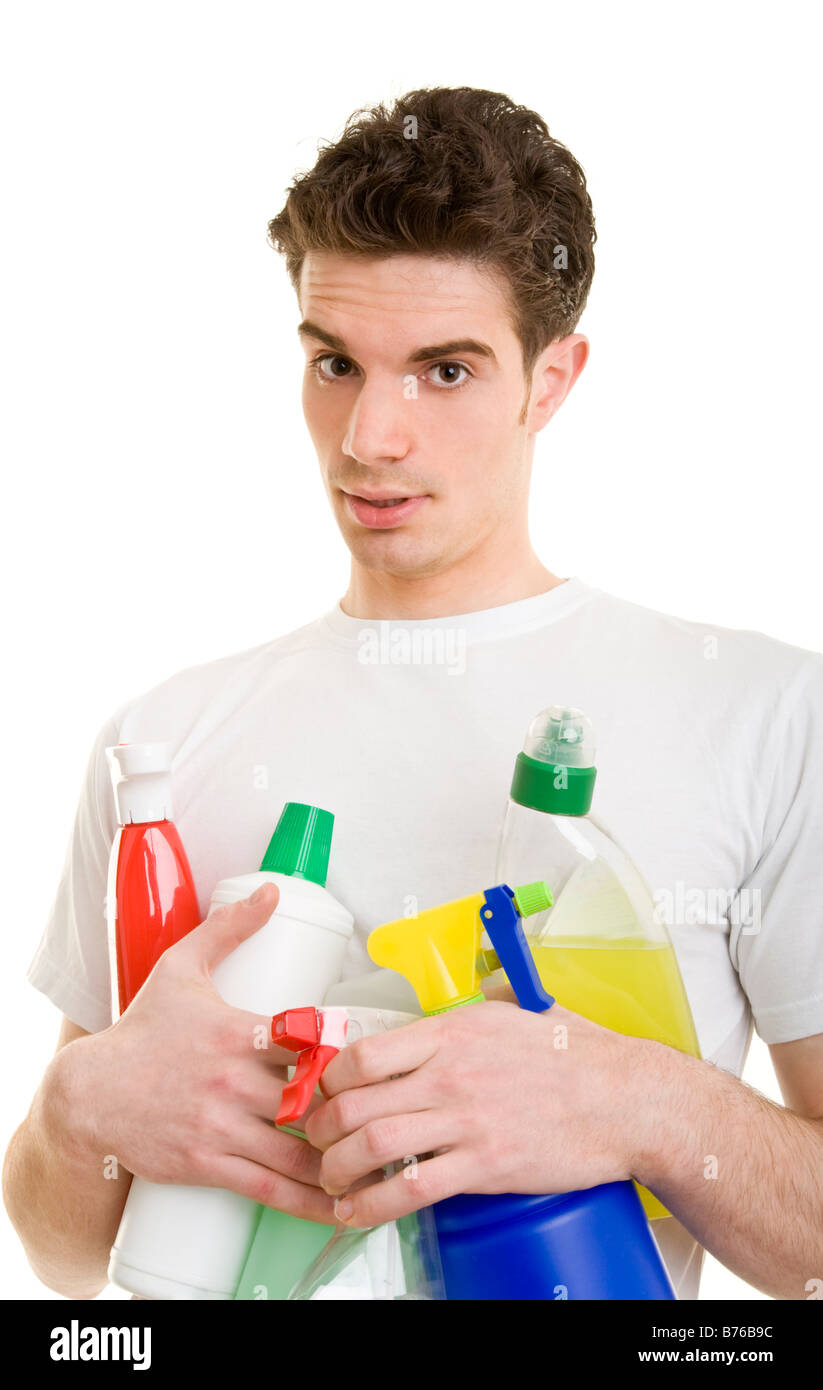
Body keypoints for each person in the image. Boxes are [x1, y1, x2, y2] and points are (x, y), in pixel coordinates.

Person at [4, 86, 822, 1302]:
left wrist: (638, 1102)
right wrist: (78, 1118)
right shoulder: (162, 747)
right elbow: (70, 1263)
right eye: (335, 362)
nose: (369, 436)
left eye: (445, 369)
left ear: (553, 379)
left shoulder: (761, 715)